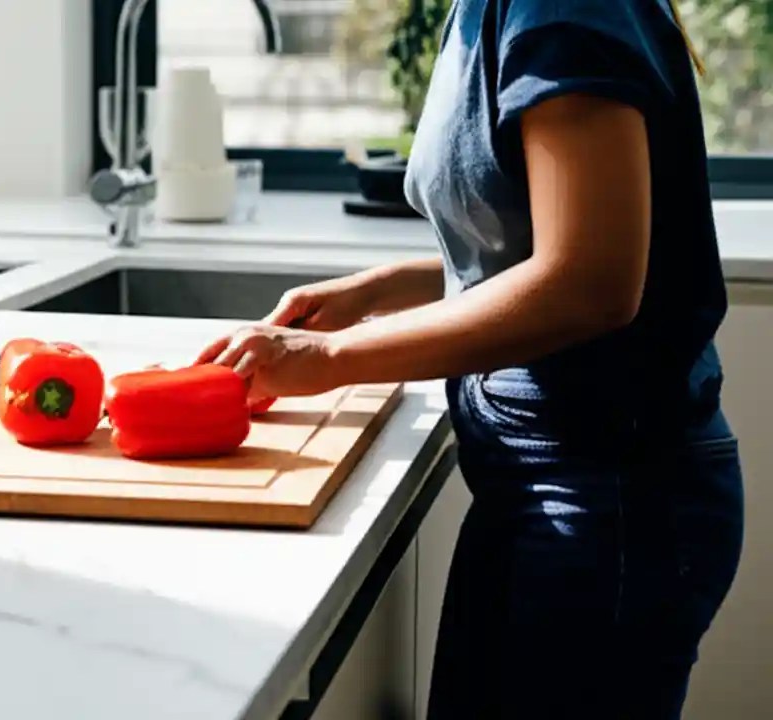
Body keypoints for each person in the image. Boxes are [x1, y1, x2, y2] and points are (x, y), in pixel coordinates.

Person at [197, 0, 743, 717]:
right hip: (553, 488)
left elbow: (591, 283)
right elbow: (532, 243)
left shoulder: (563, 11)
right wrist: (376, 291)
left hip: (609, 502)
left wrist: (331, 355)